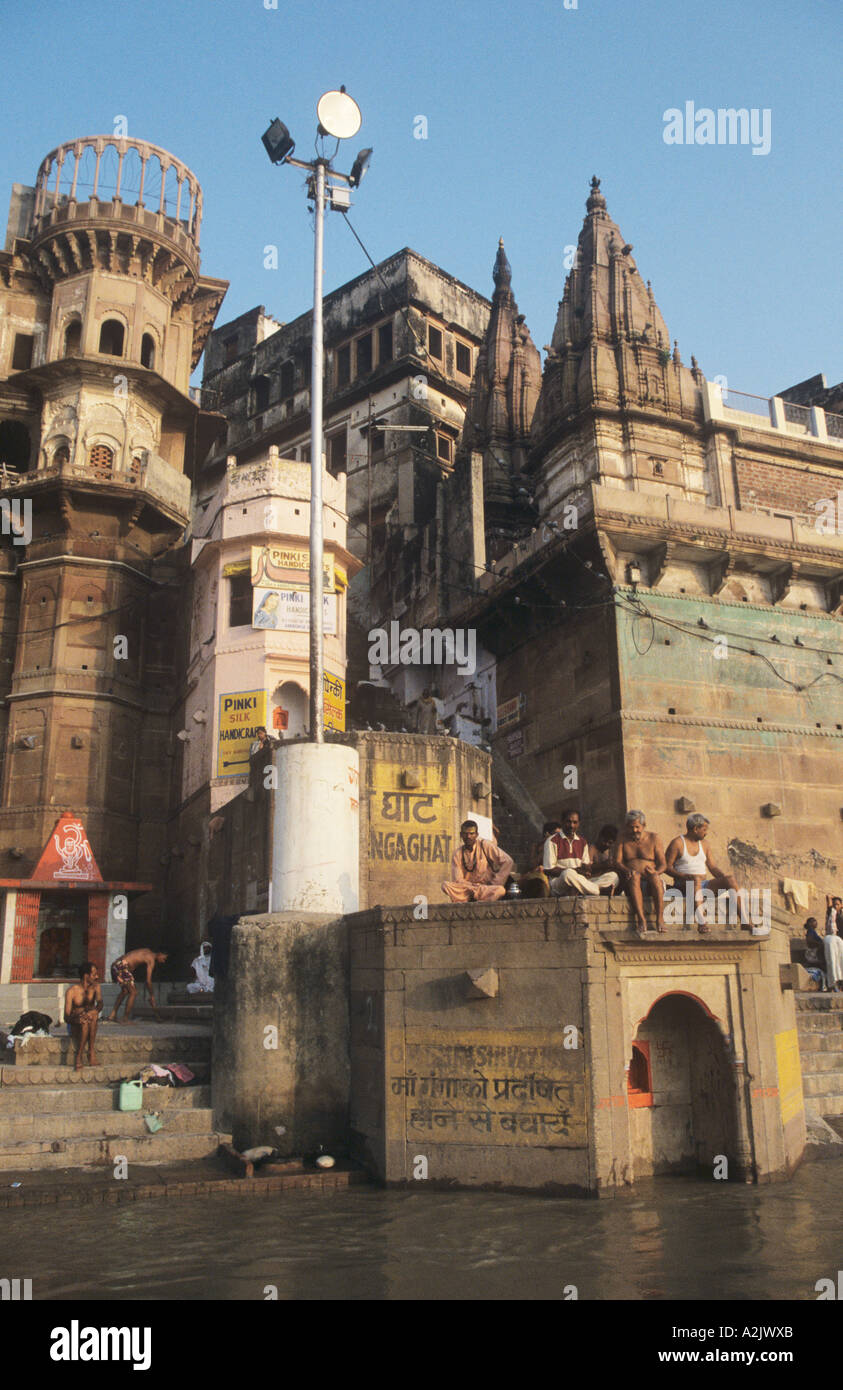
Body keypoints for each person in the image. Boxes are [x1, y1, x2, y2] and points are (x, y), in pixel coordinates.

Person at [665, 813, 747, 933]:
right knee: (696, 879)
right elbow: (666, 867)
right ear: (695, 829)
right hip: (683, 886)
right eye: (704, 829)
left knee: (730, 879)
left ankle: (745, 922)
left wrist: (725, 881)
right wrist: (683, 876)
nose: (706, 832)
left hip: (703, 885)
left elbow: (712, 867)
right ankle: (701, 922)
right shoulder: (677, 843)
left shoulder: (705, 844)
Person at [617, 811, 667, 934]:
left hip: (650, 877)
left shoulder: (654, 838)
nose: (634, 830)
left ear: (644, 825)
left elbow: (663, 864)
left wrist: (656, 872)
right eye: (631, 827)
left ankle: (660, 919)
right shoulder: (622, 839)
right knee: (634, 877)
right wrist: (627, 870)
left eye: (637, 826)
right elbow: (617, 862)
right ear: (626, 826)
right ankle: (641, 919)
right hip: (632, 878)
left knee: (656, 879)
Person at [442, 820, 514, 903]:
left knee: (500, 890)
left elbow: (508, 861)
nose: (468, 836)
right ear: (461, 835)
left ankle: (480, 903)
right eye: (465, 834)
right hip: (467, 889)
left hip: (485, 889)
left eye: (471, 833)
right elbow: (458, 879)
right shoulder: (457, 853)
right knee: (445, 885)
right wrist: (472, 887)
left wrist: (495, 882)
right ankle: (469, 900)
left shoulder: (485, 845)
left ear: (476, 835)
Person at [545, 809, 599, 897]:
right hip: (559, 883)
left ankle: (584, 889)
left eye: (575, 822)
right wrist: (574, 871)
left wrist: (586, 869)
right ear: (562, 822)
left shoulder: (582, 842)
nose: (571, 825)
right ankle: (597, 890)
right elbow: (548, 870)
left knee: (612, 876)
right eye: (568, 822)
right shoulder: (552, 841)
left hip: (579, 880)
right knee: (568, 873)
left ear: (579, 824)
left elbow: (585, 867)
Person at [106, 948, 168, 1023]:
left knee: (125, 991)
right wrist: (152, 995)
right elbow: (148, 981)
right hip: (122, 966)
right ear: (160, 954)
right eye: (164, 958)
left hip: (116, 965)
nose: (163, 961)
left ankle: (112, 1015)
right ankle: (125, 1019)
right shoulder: (151, 959)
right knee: (133, 992)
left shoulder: (147, 951)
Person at [64, 961, 102, 1070]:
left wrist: (92, 1012)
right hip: (74, 1025)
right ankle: (79, 1056)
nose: (97, 977)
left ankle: (90, 1051)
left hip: (91, 1021)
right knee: (85, 1022)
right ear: (86, 976)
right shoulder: (72, 991)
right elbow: (66, 1017)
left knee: (93, 1015)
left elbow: (100, 1004)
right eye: (94, 974)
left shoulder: (96, 987)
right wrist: (78, 1019)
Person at [517, 821, 560, 898]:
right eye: (555, 834)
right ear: (547, 834)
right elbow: (531, 865)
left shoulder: (559, 846)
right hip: (535, 877)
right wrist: (545, 848)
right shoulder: (536, 846)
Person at [803, 917, 827, 990]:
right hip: (814, 953)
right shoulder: (810, 931)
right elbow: (810, 941)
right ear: (810, 923)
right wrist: (819, 944)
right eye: (814, 922)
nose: (816, 923)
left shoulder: (812, 931)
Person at [824, 916, 843, 993]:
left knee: (834, 966)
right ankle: (833, 985)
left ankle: (834, 985)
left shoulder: (838, 939)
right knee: (832, 966)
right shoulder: (828, 939)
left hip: (837, 958)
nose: (833, 929)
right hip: (832, 958)